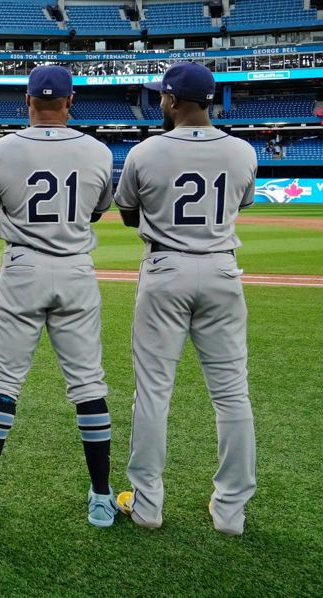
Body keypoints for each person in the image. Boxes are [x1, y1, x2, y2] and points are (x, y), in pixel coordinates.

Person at [113, 63, 259, 536]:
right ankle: (231, 512)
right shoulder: (242, 150)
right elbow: (240, 204)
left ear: (174, 101)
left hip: (165, 268)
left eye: (162, 96)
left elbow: (129, 214)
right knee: (232, 394)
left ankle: (148, 505)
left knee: (154, 391)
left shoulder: (145, 151)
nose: (160, 101)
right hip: (221, 268)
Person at [0, 66, 118, 527]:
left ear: (28, 101)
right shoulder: (98, 151)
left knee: (3, 381)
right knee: (88, 383)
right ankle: (101, 497)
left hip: (22, 266)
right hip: (75, 267)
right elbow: (97, 211)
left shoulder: (0, 149)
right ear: (70, 101)